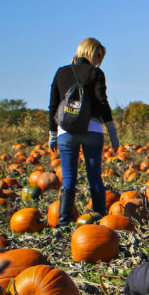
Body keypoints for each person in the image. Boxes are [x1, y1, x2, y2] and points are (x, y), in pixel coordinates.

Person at [48, 37, 120, 225]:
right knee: (94, 176)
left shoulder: (61, 72)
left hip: (66, 130)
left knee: (68, 178)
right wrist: (112, 132)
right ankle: (99, 217)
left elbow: (53, 105)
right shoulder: (96, 74)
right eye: (98, 55)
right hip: (93, 130)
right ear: (88, 52)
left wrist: (52, 134)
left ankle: (63, 221)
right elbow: (102, 102)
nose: (99, 60)